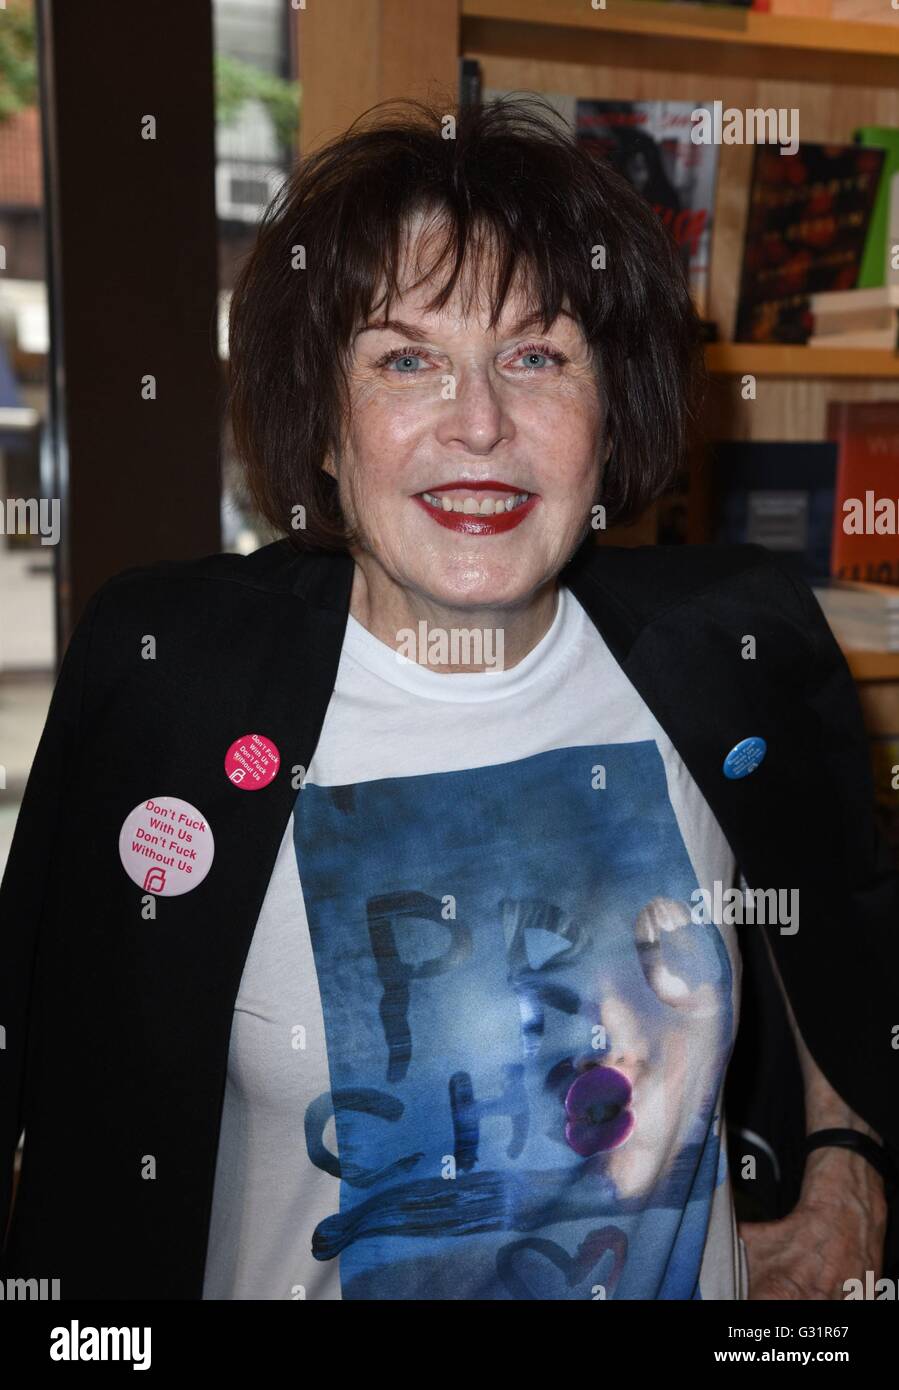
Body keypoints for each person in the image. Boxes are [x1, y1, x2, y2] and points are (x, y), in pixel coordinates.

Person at [1, 96, 896, 1302]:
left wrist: (842, 1160)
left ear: (608, 408)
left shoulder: (731, 646)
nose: (478, 425)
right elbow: (53, 1108)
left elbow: (837, 922)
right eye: (405, 360)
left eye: (534, 356)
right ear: (324, 423)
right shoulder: (171, 679)